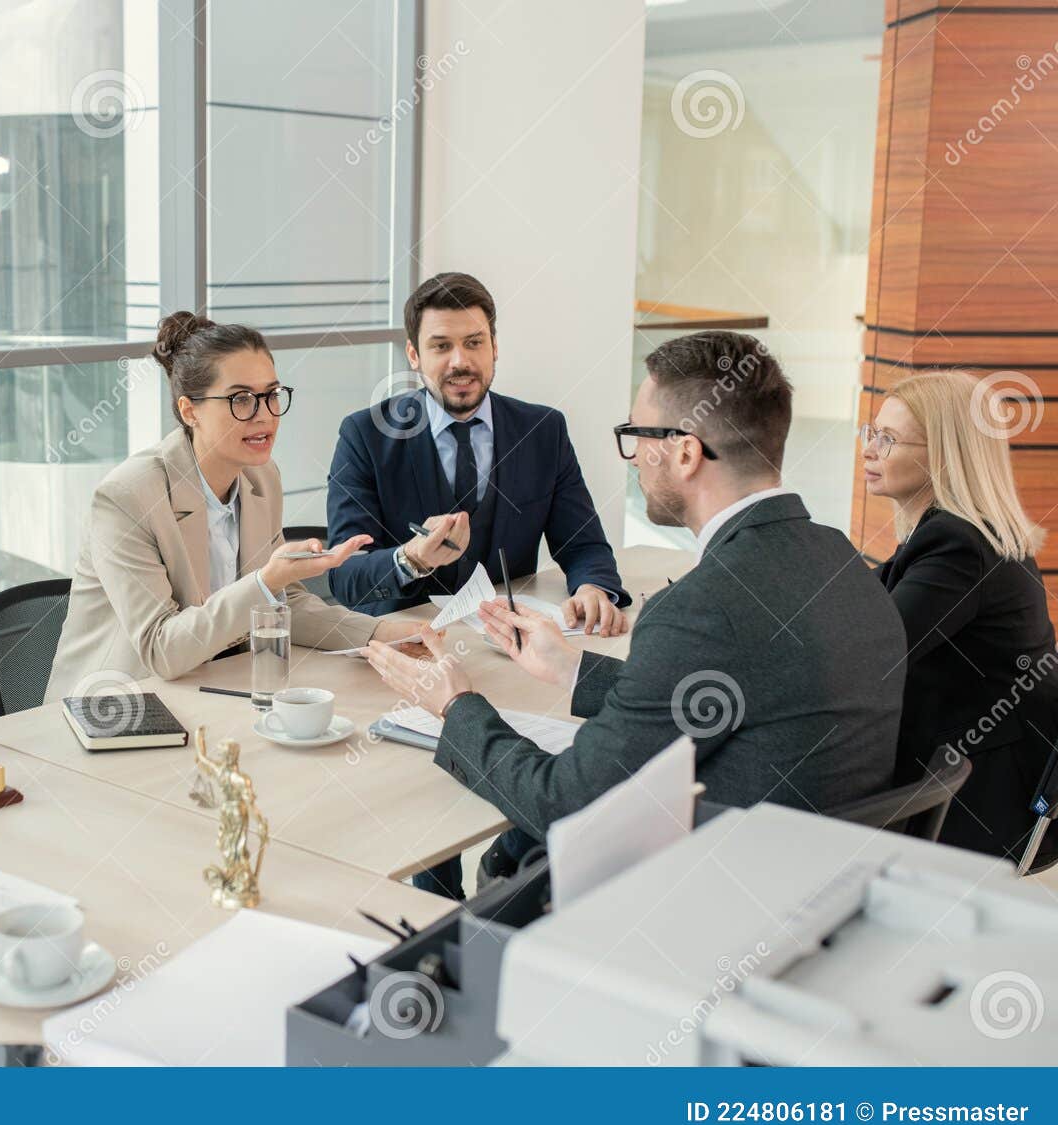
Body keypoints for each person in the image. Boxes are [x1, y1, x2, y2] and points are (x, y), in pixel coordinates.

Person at [365, 332, 907, 896]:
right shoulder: (840, 558)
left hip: (711, 905)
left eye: (634, 436)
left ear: (685, 452)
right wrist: (573, 669)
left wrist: (455, 705)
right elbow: (727, 693)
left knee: (510, 866)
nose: (631, 460)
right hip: (829, 890)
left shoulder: (700, 608)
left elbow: (567, 805)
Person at [46, 313, 414, 699]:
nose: (266, 415)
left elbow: (285, 604)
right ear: (190, 411)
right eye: (241, 399)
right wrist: (267, 581)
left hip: (212, 694)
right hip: (117, 711)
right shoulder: (128, 496)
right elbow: (162, 649)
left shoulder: (260, 478)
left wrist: (379, 635)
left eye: (272, 395)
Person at [326, 272, 629, 633]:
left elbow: (584, 544)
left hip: (513, 647)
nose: (460, 361)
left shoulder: (543, 429)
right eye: (441, 346)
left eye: (474, 342)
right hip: (409, 647)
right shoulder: (364, 435)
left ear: (494, 346)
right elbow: (344, 577)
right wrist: (413, 558)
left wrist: (592, 587)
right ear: (414, 355)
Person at [861, 371, 1058, 871]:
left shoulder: (957, 545)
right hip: (978, 767)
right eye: (871, 432)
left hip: (980, 798)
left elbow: (871, 654)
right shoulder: (952, 533)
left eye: (888, 439)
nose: (869, 450)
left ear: (944, 456)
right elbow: (872, 602)